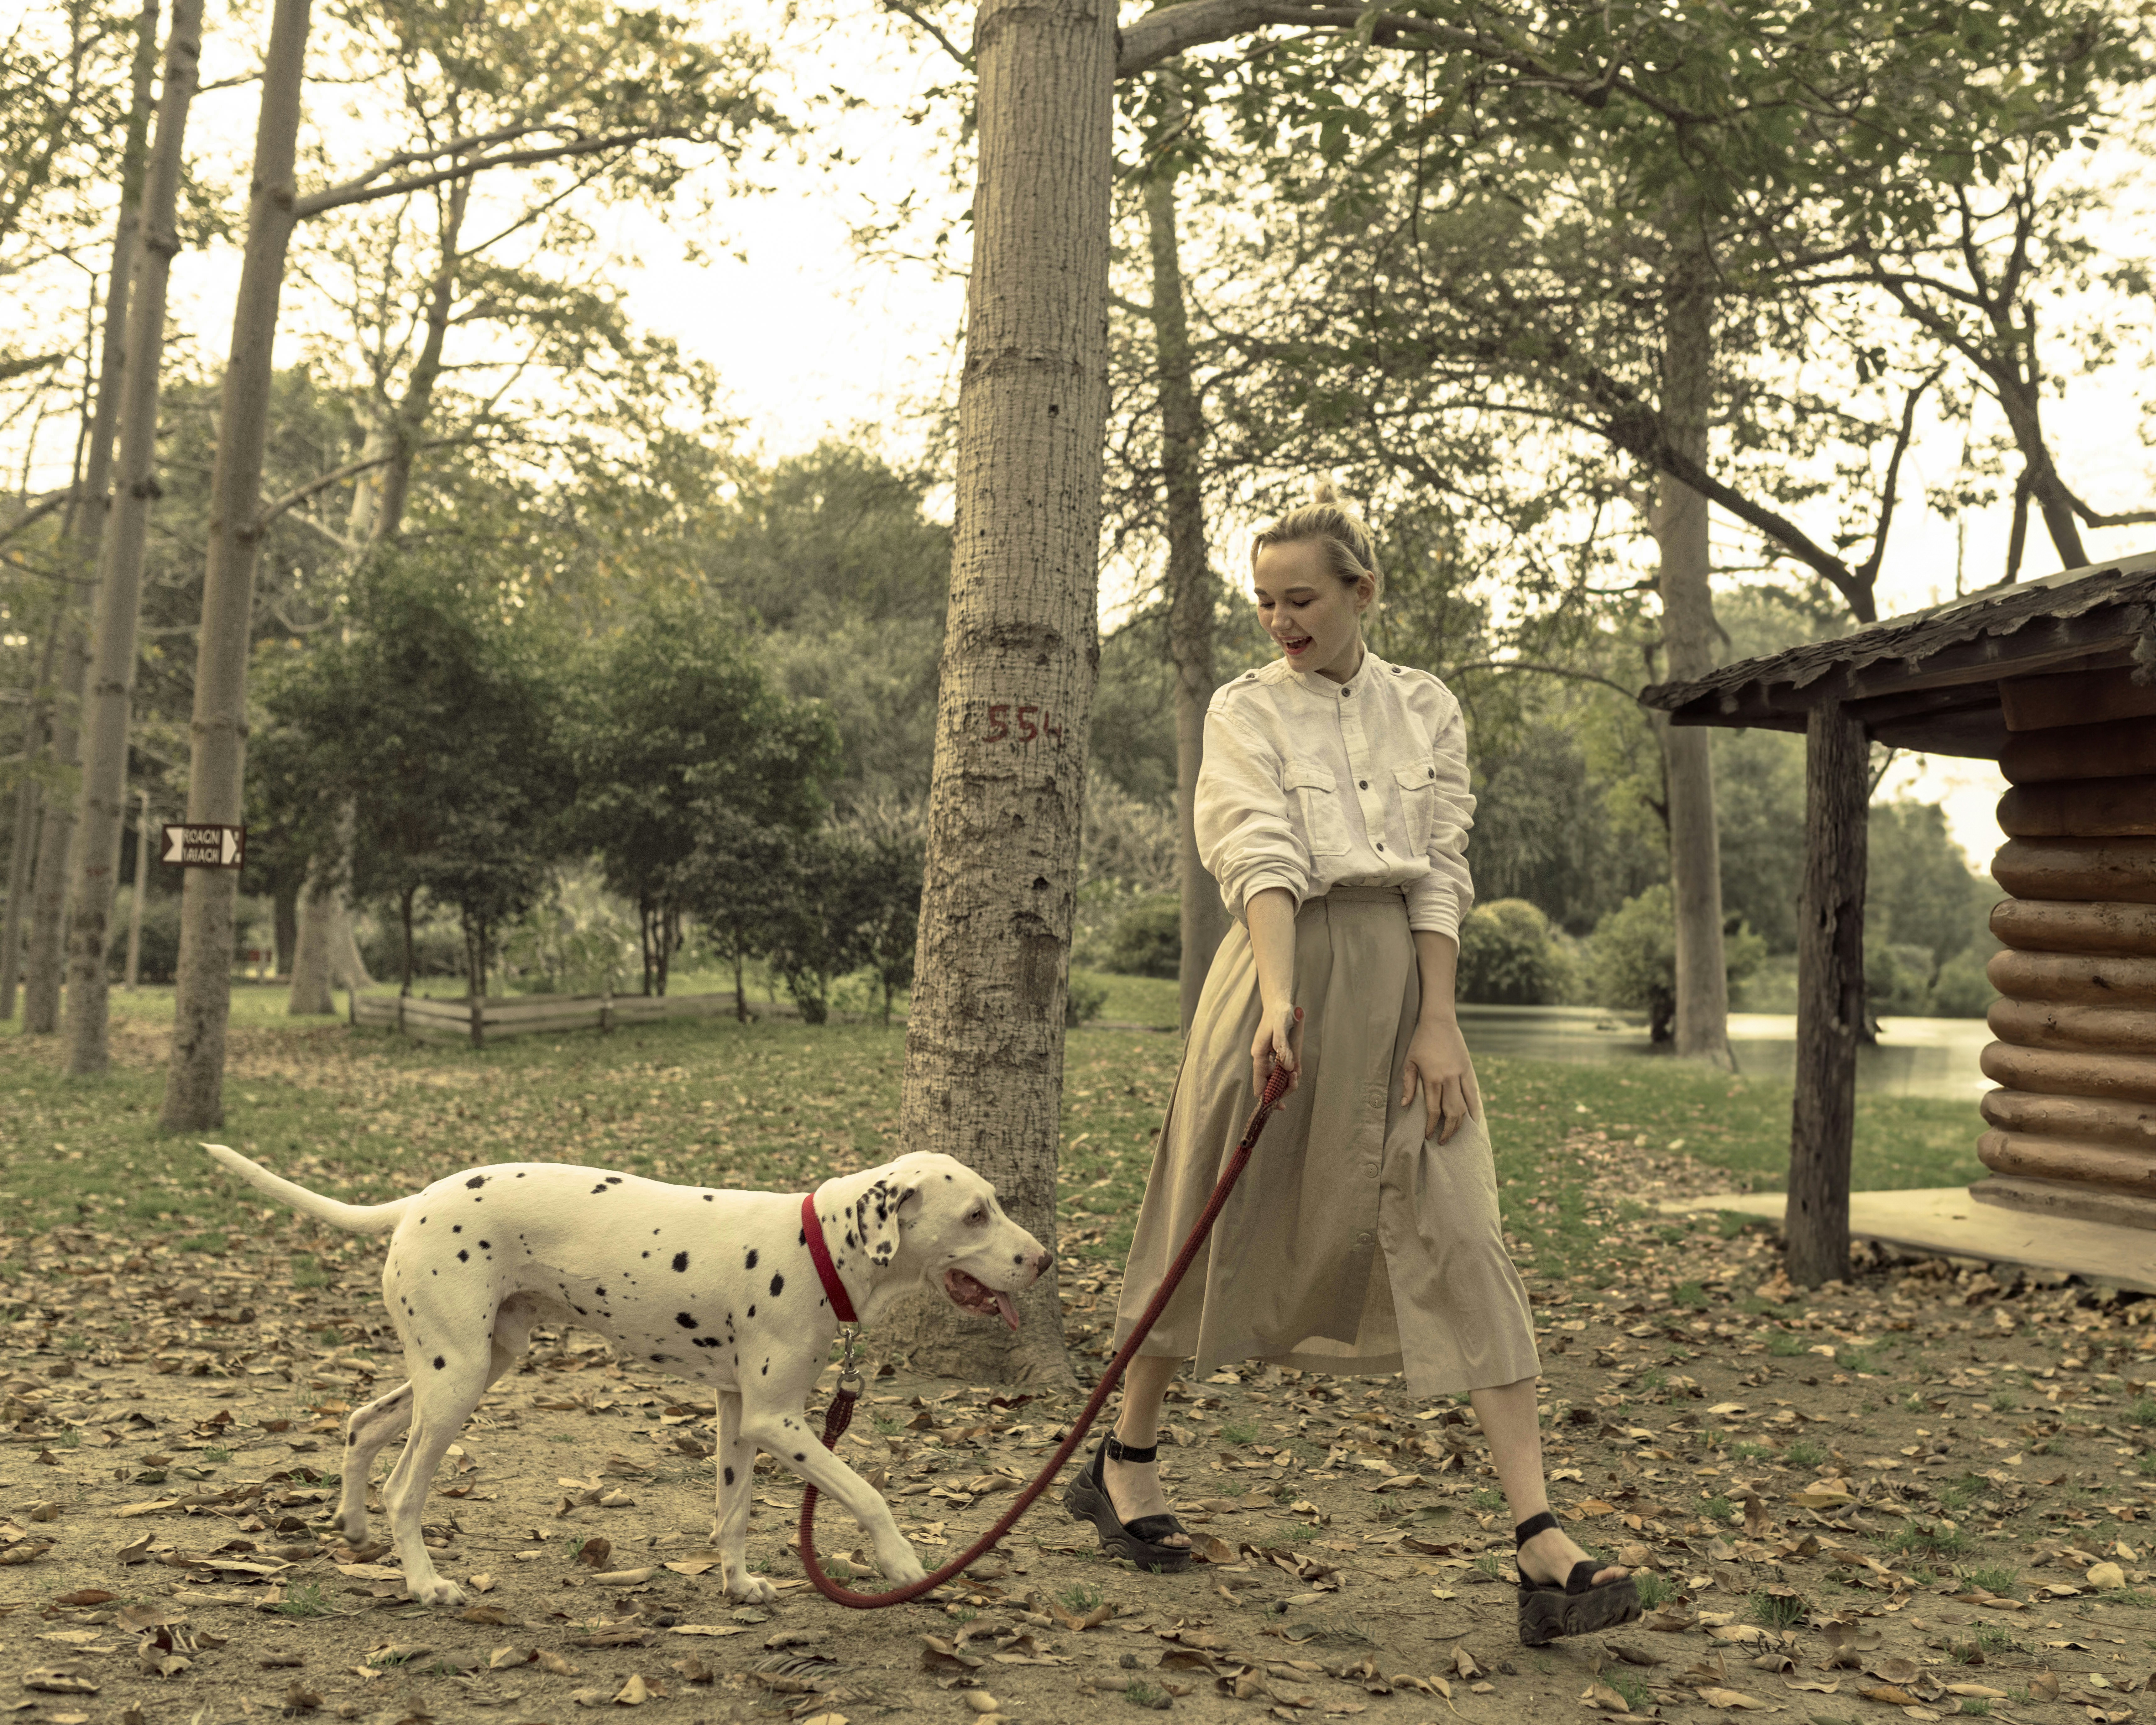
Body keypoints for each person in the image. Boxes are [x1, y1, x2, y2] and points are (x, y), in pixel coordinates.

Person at [1062, 481, 1638, 1646]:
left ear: (1362, 592)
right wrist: (1282, 998)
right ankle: (1125, 1461)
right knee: (1208, 1223)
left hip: (1404, 998)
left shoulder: (1427, 706)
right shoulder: (1244, 711)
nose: (1281, 620)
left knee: (1467, 1232)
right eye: (1265, 602)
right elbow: (1256, 850)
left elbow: (1440, 866)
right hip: (1280, 980)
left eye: (1303, 598)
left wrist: (1439, 1016)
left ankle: (1539, 1541)